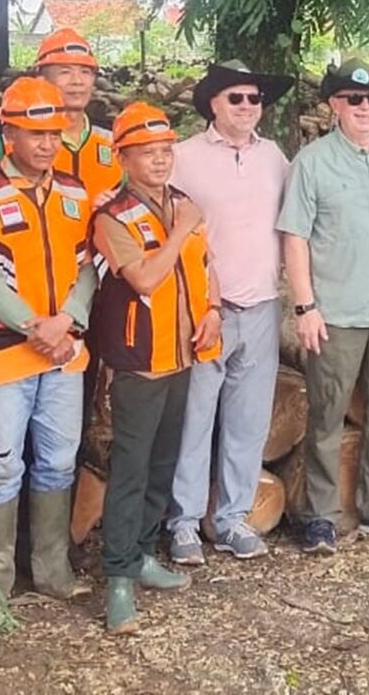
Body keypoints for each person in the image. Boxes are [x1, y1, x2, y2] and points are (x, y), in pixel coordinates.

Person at [0, 78, 97, 600]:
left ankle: (53, 570)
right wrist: (36, 327)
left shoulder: (75, 193)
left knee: (59, 460)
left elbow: (90, 266)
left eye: (54, 133)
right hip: (4, 357)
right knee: (0, 466)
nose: (47, 144)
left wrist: (69, 320)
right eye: (34, 133)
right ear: (7, 134)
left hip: (65, 355)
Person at [87, 102, 224, 633]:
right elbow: (144, 278)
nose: (162, 160)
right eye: (149, 153)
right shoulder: (112, 216)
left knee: (163, 465)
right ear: (124, 158)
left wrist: (211, 310)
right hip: (139, 361)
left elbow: (203, 265)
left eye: (167, 150)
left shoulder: (182, 205)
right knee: (131, 469)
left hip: (182, 354)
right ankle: (118, 577)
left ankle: (144, 552)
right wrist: (180, 230)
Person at [279, 59, 369, 555]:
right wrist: (305, 307)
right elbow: (294, 237)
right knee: (327, 414)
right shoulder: (313, 162)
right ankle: (320, 515)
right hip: (335, 312)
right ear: (334, 105)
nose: (365, 107)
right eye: (354, 99)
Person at [165, 60, 295, 566]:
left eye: (255, 99)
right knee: (195, 418)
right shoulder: (183, 158)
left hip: (261, 303)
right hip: (205, 309)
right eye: (236, 98)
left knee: (248, 421)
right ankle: (183, 523)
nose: (247, 107)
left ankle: (233, 519)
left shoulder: (274, 158)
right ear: (213, 104)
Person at [0, 26, 122, 199]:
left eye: (85, 72)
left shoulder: (113, 139)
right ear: (42, 78)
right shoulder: (11, 137)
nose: (77, 81)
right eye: (65, 72)